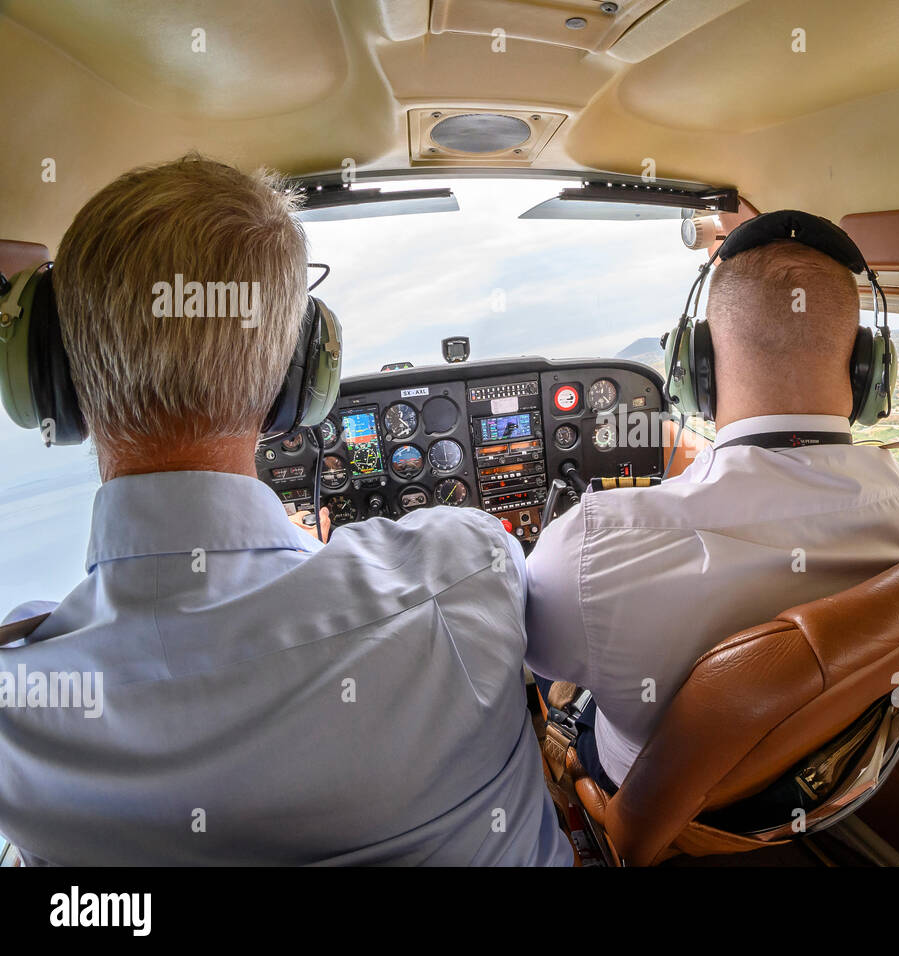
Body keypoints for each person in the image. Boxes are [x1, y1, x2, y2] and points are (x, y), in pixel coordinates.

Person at [0, 156, 570, 866]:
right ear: (298, 376)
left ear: (46, 373)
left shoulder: (20, 713)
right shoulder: (464, 571)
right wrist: (319, 556)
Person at [525, 225, 899, 791]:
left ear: (698, 370)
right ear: (867, 371)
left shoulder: (589, 546)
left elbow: (535, 655)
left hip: (651, 795)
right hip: (813, 780)